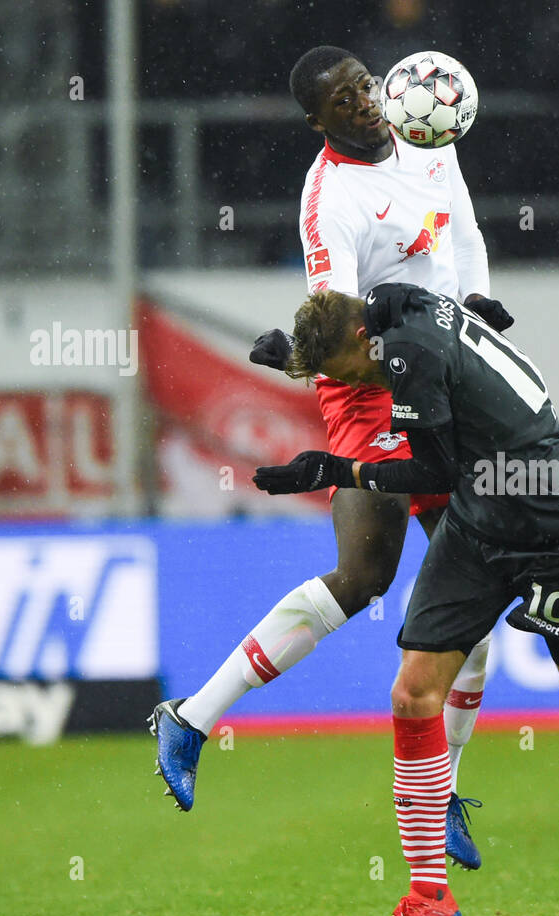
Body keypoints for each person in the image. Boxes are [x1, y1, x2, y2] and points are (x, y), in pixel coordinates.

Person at [252, 283, 559, 916]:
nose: (355, 386)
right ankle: (429, 898)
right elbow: (399, 352)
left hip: (551, 523)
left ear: (363, 340)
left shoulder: (408, 355)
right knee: (414, 692)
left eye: (347, 373)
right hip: (478, 523)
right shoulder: (392, 305)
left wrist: (336, 469)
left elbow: (432, 474)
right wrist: (293, 359)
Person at [151, 46, 515, 873]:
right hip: (369, 384)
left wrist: (474, 312)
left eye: (363, 84)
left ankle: (443, 789)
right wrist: (303, 353)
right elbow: (340, 320)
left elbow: (462, 231)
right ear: (317, 122)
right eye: (343, 99)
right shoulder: (331, 199)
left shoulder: (428, 130)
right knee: (365, 575)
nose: (365, 100)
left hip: (442, 373)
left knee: (478, 587)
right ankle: (194, 716)